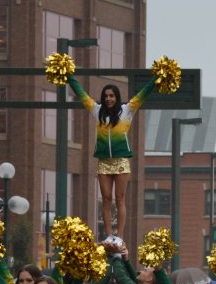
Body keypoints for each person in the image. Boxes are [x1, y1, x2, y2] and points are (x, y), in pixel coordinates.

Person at [66, 75, 158, 243]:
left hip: (121, 161)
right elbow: (81, 94)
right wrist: (68, 76)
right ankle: (109, 235)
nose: (109, 99)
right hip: (104, 162)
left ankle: (120, 237)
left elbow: (143, 93)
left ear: (117, 97)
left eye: (112, 96)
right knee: (106, 198)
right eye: (106, 96)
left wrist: (156, 78)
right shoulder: (97, 111)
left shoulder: (127, 110)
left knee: (120, 198)